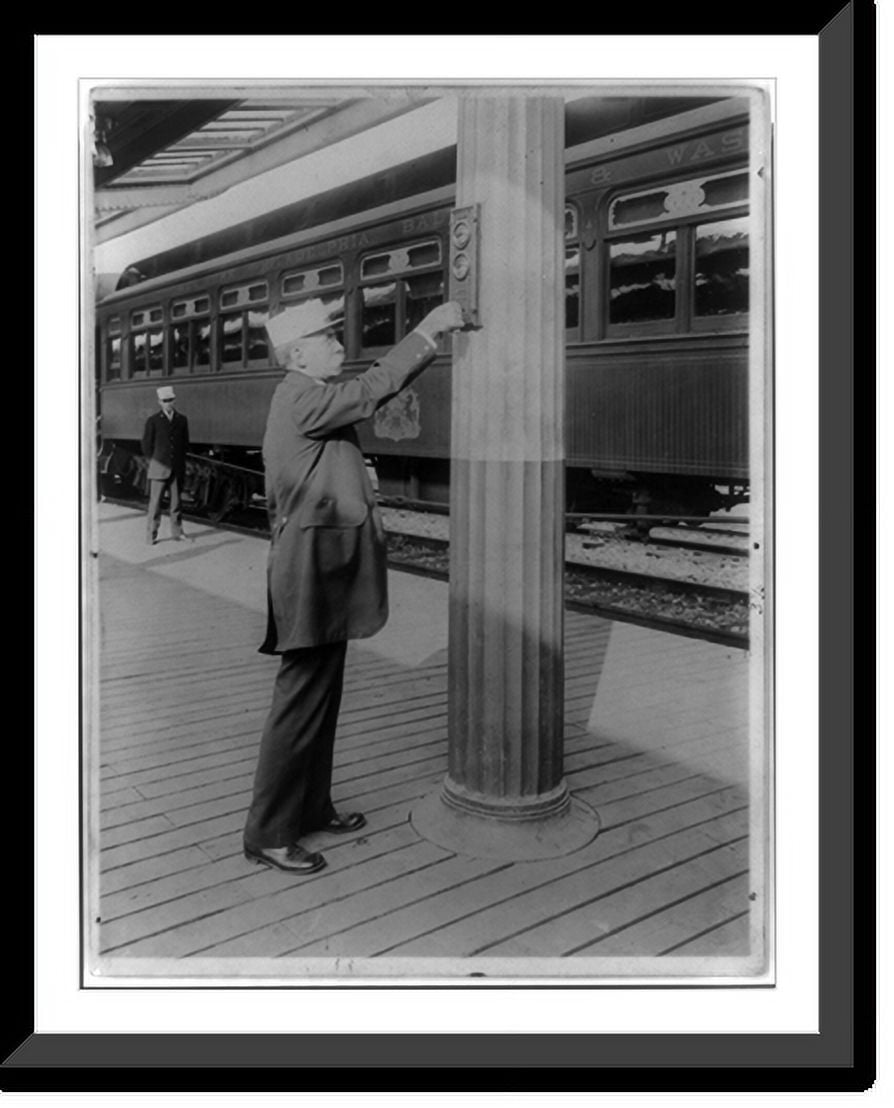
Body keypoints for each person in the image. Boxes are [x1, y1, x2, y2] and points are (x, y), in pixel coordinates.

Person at [243, 296, 465, 874]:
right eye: (327, 338)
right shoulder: (302, 396)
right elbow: (373, 389)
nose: (340, 344)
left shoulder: (309, 397)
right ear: (297, 354)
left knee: (321, 698)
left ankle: (311, 807)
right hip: (311, 572)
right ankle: (268, 832)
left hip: (326, 568)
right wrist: (426, 329)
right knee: (299, 704)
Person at [142, 385, 190, 545]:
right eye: (165, 401)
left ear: (174, 400)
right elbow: (146, 446)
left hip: (176, 468)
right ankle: (151, 535)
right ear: (159, 402)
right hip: (159, 468)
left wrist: (179, 462)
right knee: (155, 504)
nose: (168, 403)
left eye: (170, 400)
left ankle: (177, 532)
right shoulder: (153, 421)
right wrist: (155, 461)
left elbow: (185, 444)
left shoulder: (182, 420)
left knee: (176, 504)